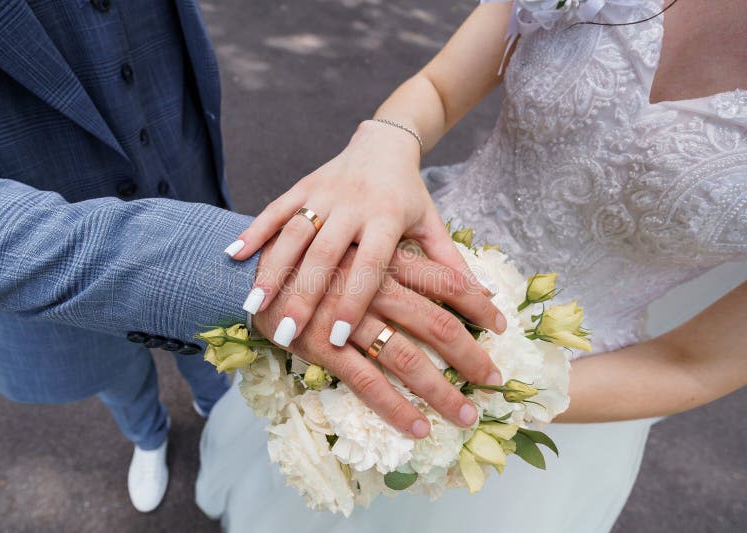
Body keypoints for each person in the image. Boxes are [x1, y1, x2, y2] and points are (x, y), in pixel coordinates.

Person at [199, 0, 747, 531]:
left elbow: (692, 364)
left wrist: (493, 391)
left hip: (569, 379)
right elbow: (436, 90)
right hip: (399, 260)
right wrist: (387, 142)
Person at [0, 0, 499, 514]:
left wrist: (388, 139)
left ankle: (216, 406)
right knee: (112, 373)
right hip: (23, 234)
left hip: (173, 148)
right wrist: (224, 275)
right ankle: (148, 433)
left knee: (220, 364)